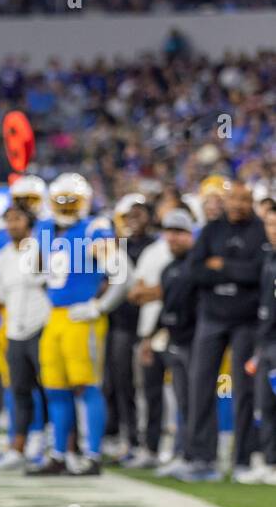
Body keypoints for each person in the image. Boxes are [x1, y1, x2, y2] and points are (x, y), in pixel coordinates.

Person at [29, 173, 127, 476]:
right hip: (55, 316)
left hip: (83, 318)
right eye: (61, 200)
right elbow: (36, 272)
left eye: (72, 200)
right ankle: (59, 454)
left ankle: (92, 455)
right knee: (55, 388)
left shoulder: (94, 229)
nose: (66, 205)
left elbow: (122, 274)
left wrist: (99, 306)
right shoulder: (45, 228)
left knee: (86, 386)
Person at [178, 181, 265, 481]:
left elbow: (258, 272)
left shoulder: (261, 231)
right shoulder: (211, 229)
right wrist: (236, 272)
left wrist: (222, 266)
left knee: (244, 389)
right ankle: (201, 458)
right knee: (200, 385)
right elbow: (194, 271)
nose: (238, 205)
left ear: (252, 202)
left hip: (246, 320)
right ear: (225, 201)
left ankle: (243, 460)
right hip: (211, 317)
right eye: (234, 199)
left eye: (245, 200)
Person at [0, 206, 49, 470]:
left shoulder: (43, 250)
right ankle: (17, 448)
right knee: (18, 389)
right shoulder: (1, 258)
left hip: (43, 326)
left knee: (49, 389)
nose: (12, 224)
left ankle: (51, 444)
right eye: (8, 220)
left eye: (17, 219)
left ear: (29, 222)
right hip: (14, 329)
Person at [144, 211, 199, 476]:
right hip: (174, 342)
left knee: (196, 401)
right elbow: (167, 308)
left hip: (195, 342)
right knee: (181, 401)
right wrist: (150, 337)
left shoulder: (196, 267)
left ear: (190, 235)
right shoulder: (168, 269)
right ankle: (183, 452)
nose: (173, 238)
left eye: (179, 232)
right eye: (169, 232)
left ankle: (197, 455)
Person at [105, 195, 155, 463]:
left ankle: (147, 441)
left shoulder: (156, 246)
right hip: (120, 323)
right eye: (128, 216)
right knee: (119, 384)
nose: (133, 220)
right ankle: (127, 438)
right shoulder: (116, 246)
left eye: (139, 214)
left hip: (148, 324)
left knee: (147, 386)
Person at [237, 208, 276, 484]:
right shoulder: (268, 258)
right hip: (267, 341)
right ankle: (270, 461)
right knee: (265, 404)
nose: (273, 230)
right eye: (270, 224)